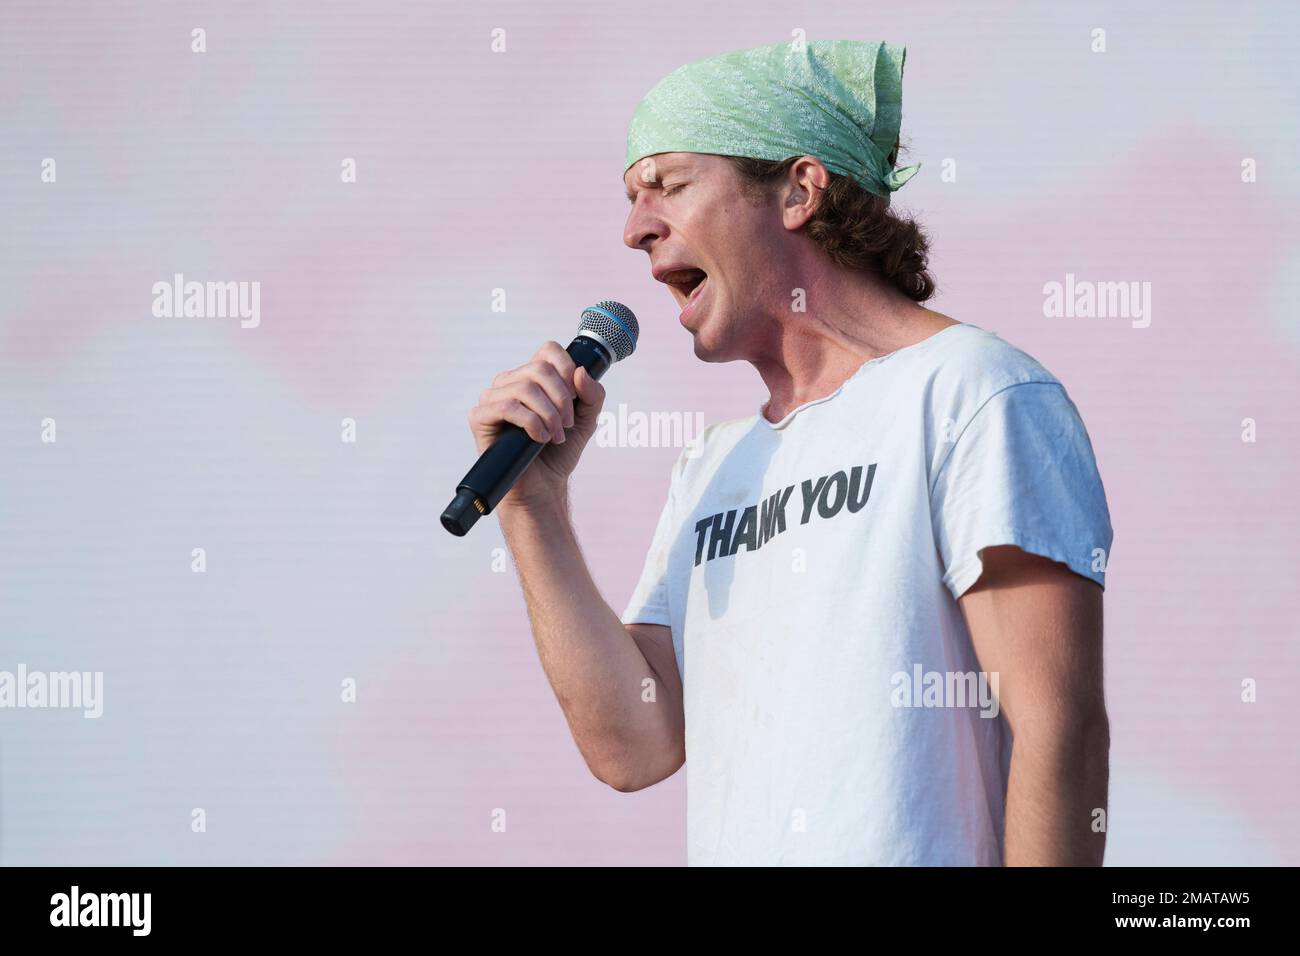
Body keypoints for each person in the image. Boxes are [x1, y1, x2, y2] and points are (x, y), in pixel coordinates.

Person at [466, 39, 1113, 866]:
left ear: (799, 190)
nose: (633, 230)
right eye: (631, 199)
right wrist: (533, 508)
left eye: (666, 186)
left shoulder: (973, 392)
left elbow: (1059, 732)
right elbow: (635, 746)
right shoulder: (713, 465)